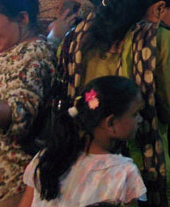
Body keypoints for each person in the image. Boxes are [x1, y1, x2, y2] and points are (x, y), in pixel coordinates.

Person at [59, 0, 170, 207]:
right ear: (159, 8)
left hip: (79, 161)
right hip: (141, 162)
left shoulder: (78, 35)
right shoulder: (159, 38)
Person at [0, 0, 57, 207]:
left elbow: (19, 114)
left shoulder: (33, 53)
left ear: (22, 19)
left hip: (9, 188)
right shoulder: (14, 52)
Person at [20, 76, 147, 207]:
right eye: (135, 114)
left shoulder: (46, 159)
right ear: (111, 123)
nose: (140, 119)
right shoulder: (123, 173)